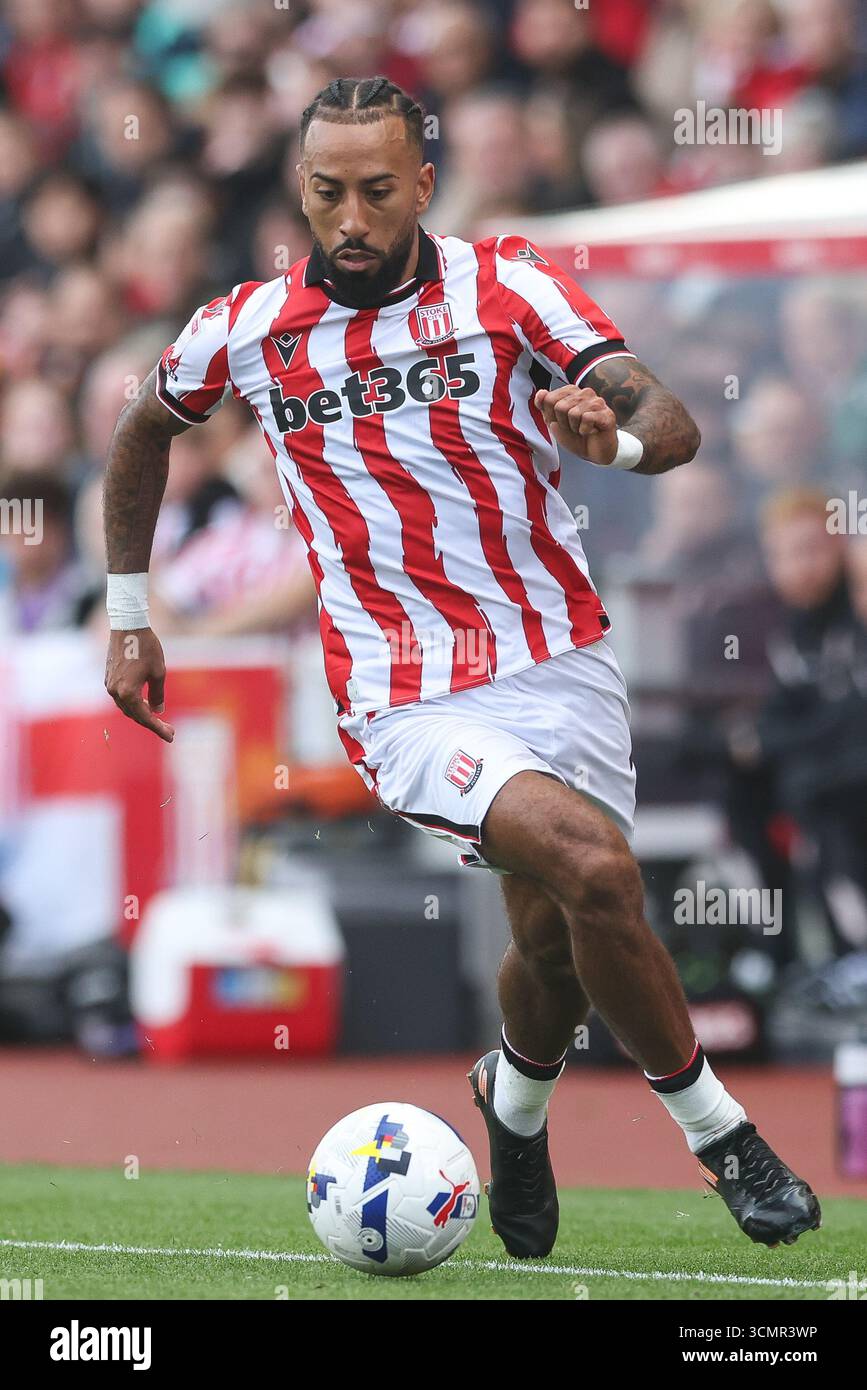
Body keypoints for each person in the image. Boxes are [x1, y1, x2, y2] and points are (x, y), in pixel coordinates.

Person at [102, 75, 819, 1259]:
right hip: (404, 692)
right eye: (328, 191)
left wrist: (619, 439)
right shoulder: (243, 327)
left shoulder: (507, 289)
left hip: (561, 656)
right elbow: (141, 429)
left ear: (422, 185)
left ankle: (514, 1105)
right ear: (300, 187)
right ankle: (724, 1137)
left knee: (554, 939)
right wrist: (132, 616)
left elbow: (672, 423)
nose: (351, 217)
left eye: (378, 191)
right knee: (595, 869)